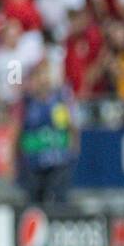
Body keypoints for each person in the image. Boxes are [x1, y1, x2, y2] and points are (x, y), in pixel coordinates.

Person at [17, 60, 79, 205]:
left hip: (59, 160)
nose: (42, 80)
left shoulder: (61, 99)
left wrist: (73, 151)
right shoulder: (27, 102)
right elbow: (17, 131)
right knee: (34, 204)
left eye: (45, 76)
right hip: (34, 162)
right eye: (38, 77)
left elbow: (72, 127)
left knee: (59, 202)